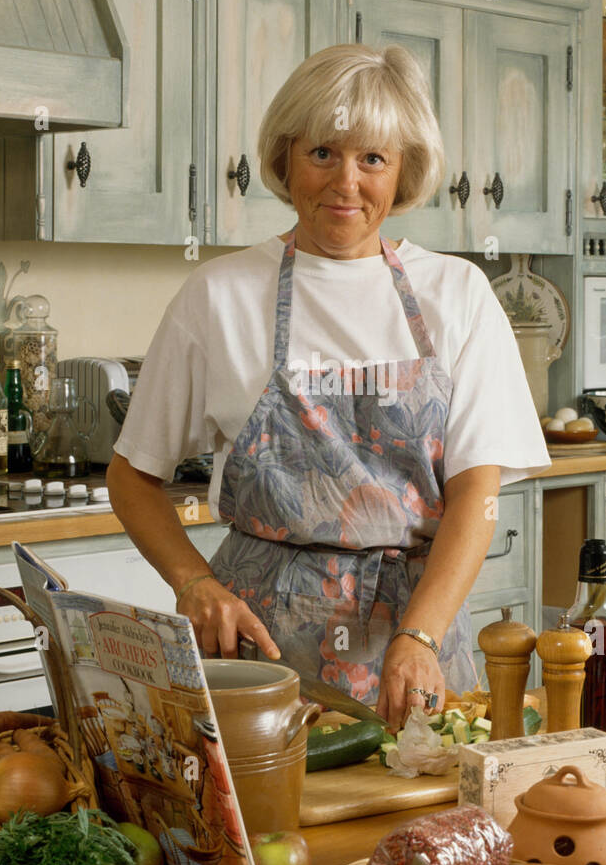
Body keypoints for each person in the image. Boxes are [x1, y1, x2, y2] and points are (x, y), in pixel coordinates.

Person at [107, 44, 550, 726]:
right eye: (323, 153)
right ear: (286, 158)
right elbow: (132, 476)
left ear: (404, 170)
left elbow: (475, 497)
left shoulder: (457, 294)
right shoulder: (218, 296)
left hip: (417, 648)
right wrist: (194, 581)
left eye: (372, 158)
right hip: (257, 660)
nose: (346, 181)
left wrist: (420, 634)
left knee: (429, 824)